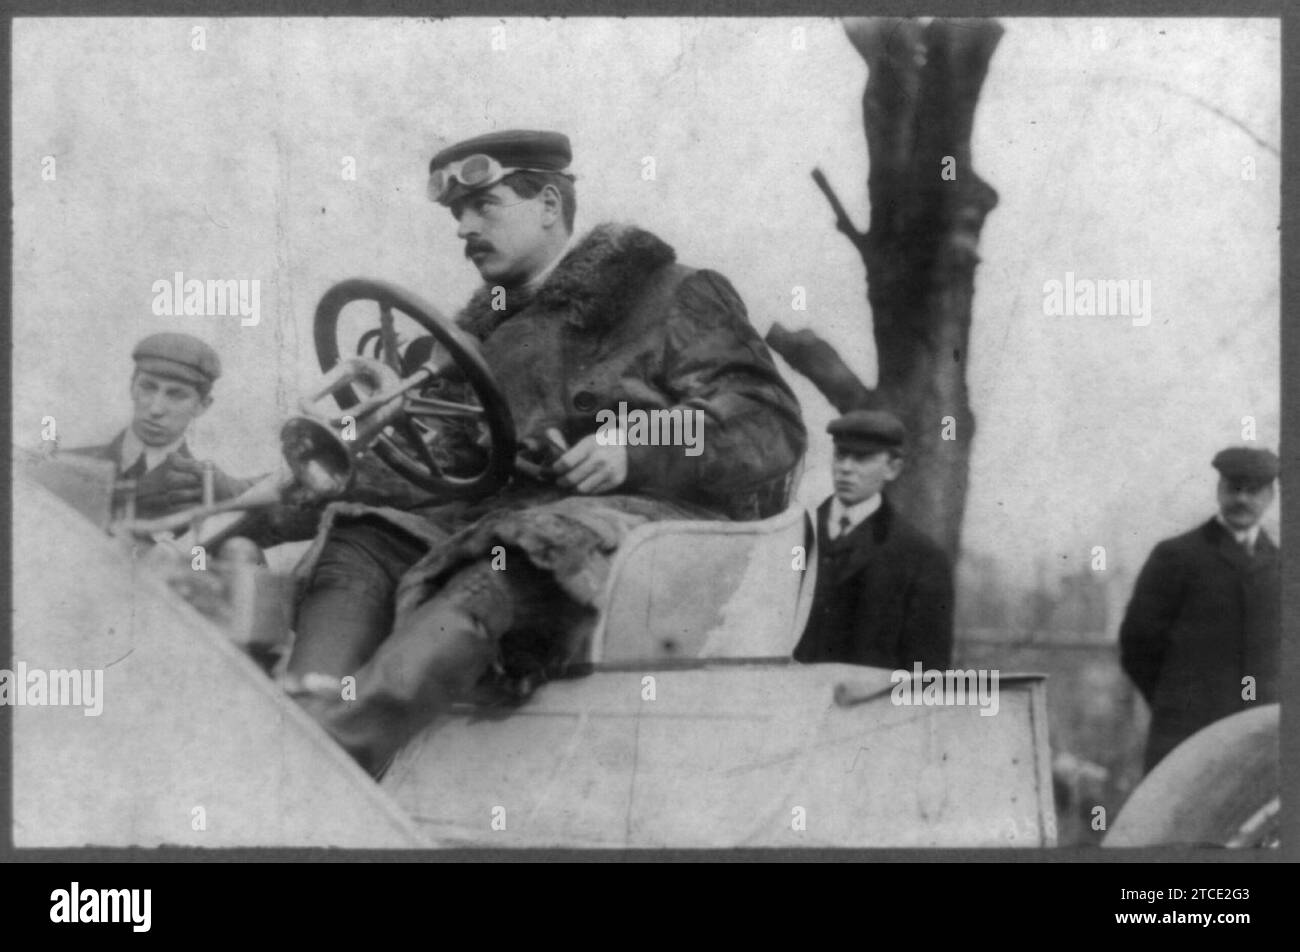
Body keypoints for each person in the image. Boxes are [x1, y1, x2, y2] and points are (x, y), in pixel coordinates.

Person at [284, 129, 807, 775]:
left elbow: (767, 420)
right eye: (456, 213)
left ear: (550, 205)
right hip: (504, 520)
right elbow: (444, 474)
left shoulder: (672, 292)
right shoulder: (483, 337)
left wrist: (636, 443)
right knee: (365, 539)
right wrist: (354, 456)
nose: (463, 227)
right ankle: (298, 717)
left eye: (484, 205)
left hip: (643, 531)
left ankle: (336, 755)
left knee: (507, 561)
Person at [1119, 446, 1280, 772]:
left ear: (1270, 497)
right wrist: (1176, 704)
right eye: (1234, 488)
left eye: (1254, 491)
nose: (1243, 500)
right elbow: (1138, 644)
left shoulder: (1282, 567)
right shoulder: (1176, 556)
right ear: (1219, 490)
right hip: (1186, 736)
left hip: (1262, 741)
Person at [792, 409, 953, 670]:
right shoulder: (796, 535)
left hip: (872, 708)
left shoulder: (921, 557)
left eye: (862, 458)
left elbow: (927, 672)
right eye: (841, 455)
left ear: (892, 468)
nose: (846, 468)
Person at [65, 332, 249, 521]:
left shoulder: (208, 497)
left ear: (202, 405)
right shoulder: (64, 468)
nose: (156, 409)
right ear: (132, 387)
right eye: (148, 387)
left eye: (176, 395)